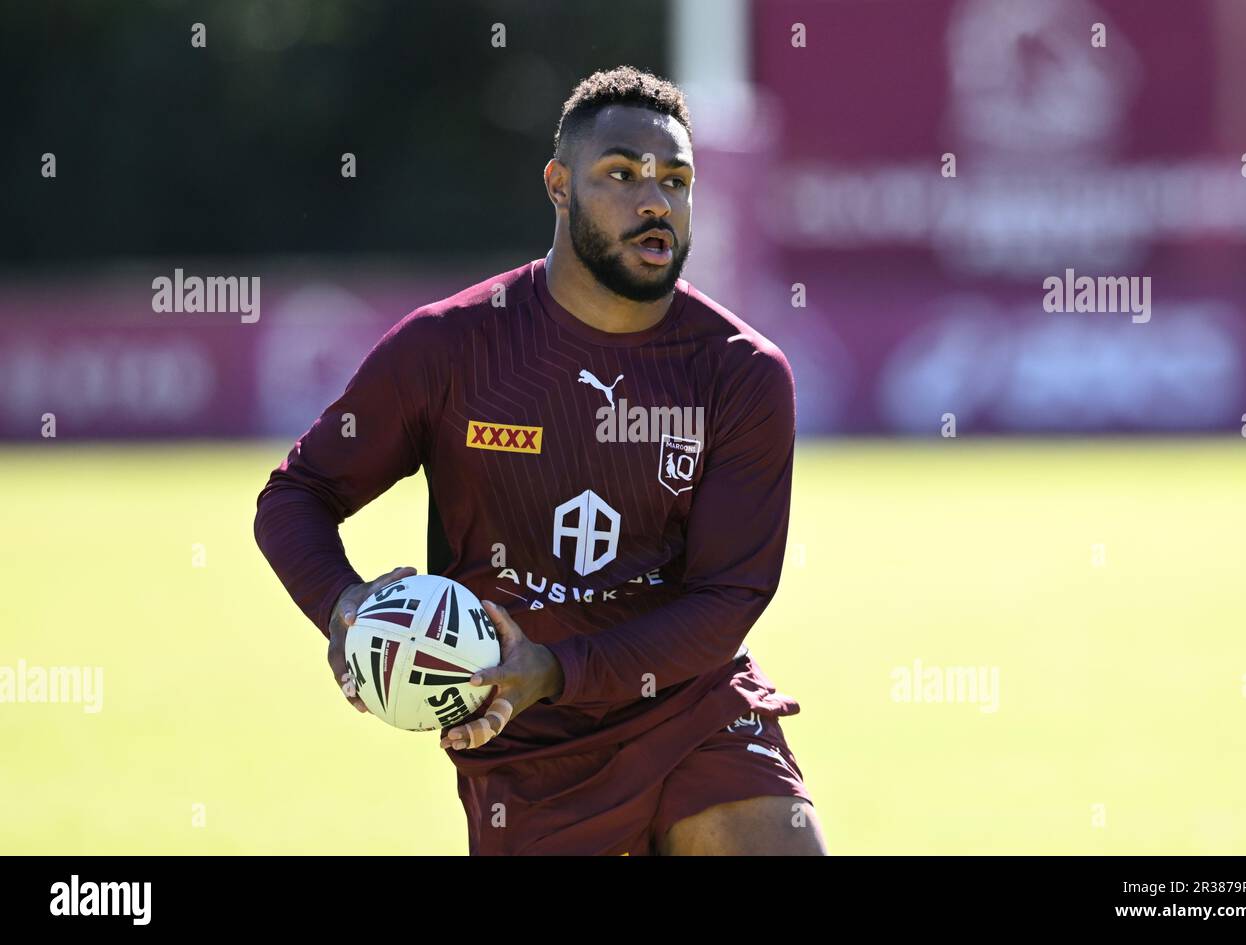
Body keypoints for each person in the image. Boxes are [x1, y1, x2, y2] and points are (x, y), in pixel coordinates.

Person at [254, 65, 826, 855]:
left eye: (676, 178)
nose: (654, 199)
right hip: (521, 738)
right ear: (558, 185)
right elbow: (297, 495)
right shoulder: (451, 347)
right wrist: (341, 605)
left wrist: (557, 665)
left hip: (693, 707)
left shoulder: (742, 372)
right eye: (620, 173)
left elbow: (728, 600)